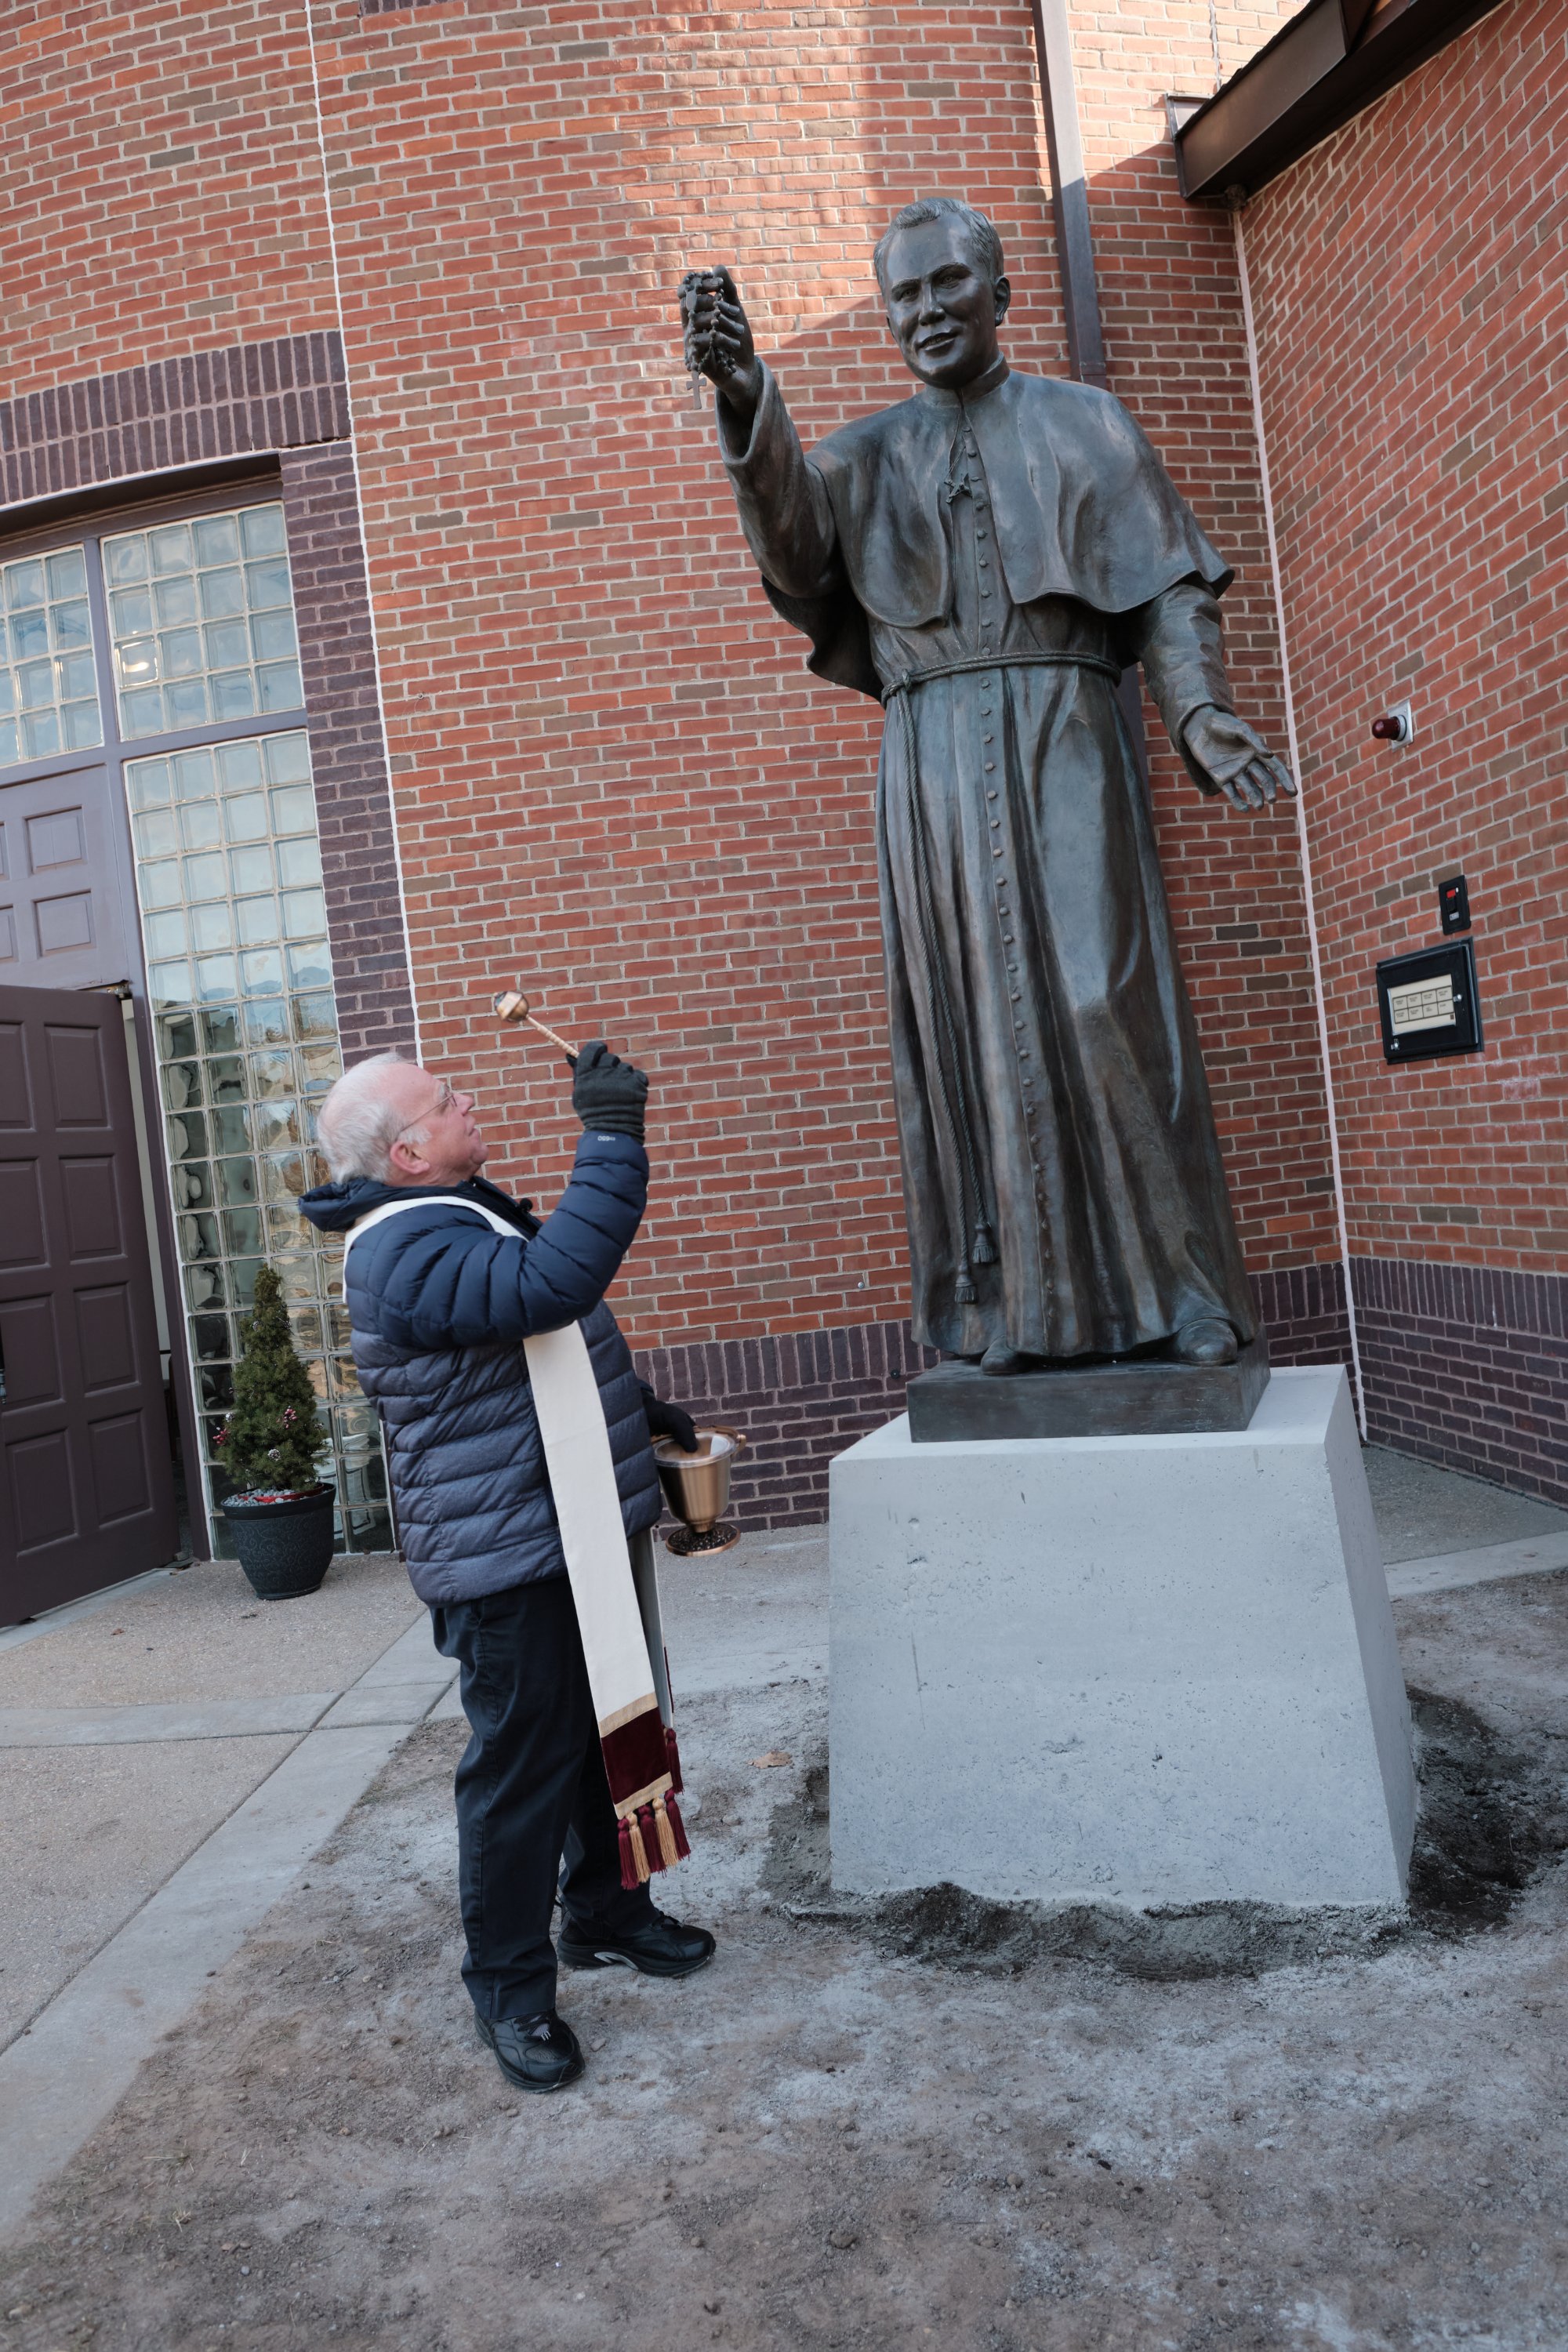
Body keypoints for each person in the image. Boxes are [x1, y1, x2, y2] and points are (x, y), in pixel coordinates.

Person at [683, 199, 1295, 1374]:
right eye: (902, 296)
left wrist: (1201, 711)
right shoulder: (861, 457)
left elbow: (1170, 587)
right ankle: (1007, 1312)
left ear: (999, 295)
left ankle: (1185, 1296)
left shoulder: (1085, 423)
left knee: (1095, 1001)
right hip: (930, 763)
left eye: (946, 286)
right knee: (966, 1030)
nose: (924, 313)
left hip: (1064, 731)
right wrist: (749, 395)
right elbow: (800, 549)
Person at [300, 1044, 715, 2094]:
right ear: (405, 1152)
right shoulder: (398, 1248)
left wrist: (638, 1412)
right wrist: (613, 1136)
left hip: (556, 1529)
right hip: (507, 1561)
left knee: (606, 1732)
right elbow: (550, 1284)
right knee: (520, 1781)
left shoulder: (451, 1212)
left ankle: (607, 1917)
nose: (467, 1100)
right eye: (445, 1102)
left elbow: (541, 1345)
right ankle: (510, 1991)